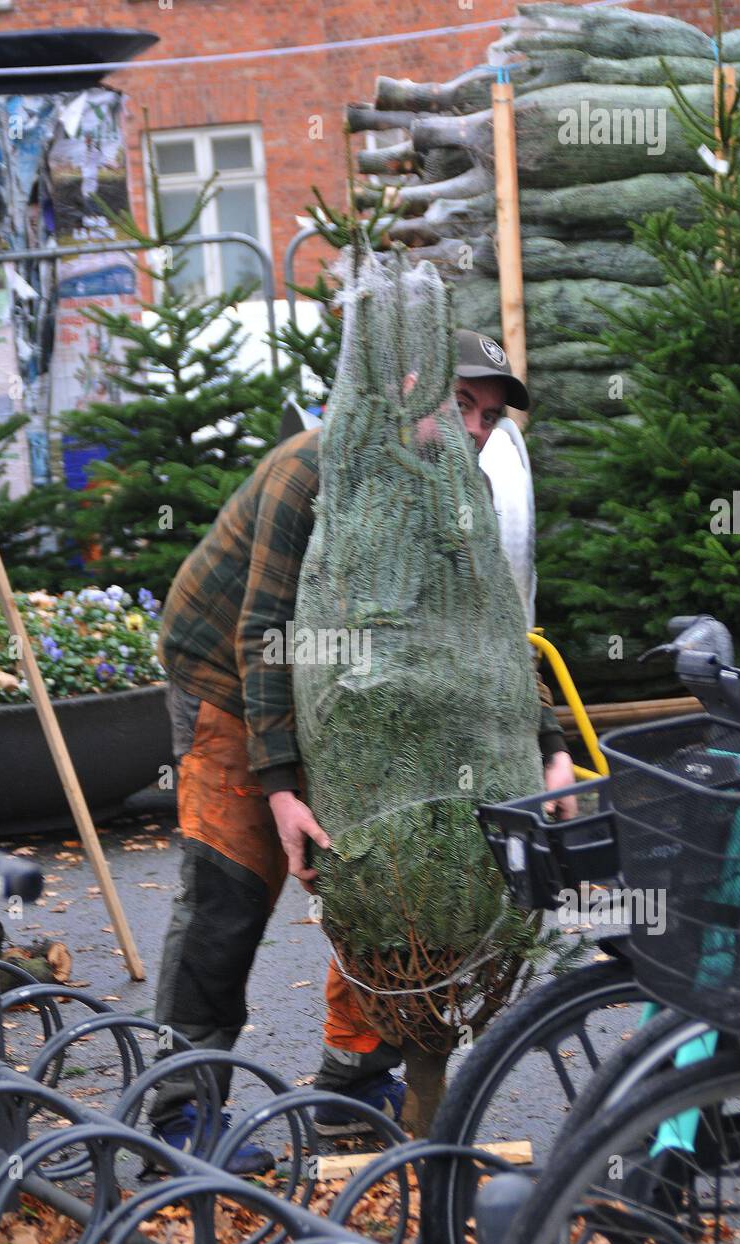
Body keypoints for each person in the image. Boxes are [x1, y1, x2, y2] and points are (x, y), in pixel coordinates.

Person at [150, 330, 575, 1171]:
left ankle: (355, 1080)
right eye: (461, 405)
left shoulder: (462, 498)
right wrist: (279, 787)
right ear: (406, 388)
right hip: (230, 676)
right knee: (232, 886)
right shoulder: (313, 470)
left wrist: (548, 744)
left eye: (489, 416)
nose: (477, 430)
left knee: (388, 865)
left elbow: (488, 636)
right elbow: (263, 633)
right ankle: (176, 1117)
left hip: (354, 690)